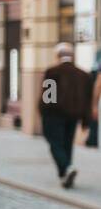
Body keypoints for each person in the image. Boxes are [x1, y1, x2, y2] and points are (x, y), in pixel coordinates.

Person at [39, 42, 92, 189]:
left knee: (55, 143)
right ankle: (66, 176)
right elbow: (87, 100)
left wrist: (43, 112)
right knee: (67, 144)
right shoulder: (84, 75)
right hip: (73, 116)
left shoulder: (53, 71)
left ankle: (67, 168)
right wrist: (85, 121)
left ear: (57, 56)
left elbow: (48, 97)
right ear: (73, 56)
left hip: (54, 115)